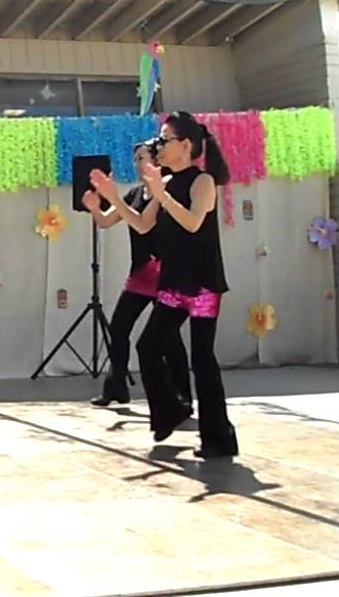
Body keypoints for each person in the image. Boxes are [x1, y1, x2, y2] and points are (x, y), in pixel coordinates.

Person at [91, 111, 238, 459]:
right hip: (173, 282)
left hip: (202, 283)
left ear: (185, 145)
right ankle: (171, 409)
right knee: (148, 346)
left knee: (202, 357)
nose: (158, 145)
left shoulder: (203, 181)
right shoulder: (165, 182)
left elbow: (193, 222)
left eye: (164, 139)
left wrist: (162, 194)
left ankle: (219, 437)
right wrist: (113, 196)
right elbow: (143, 224)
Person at [82, 142, 191, 409]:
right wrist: (95, 207)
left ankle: (182, 394)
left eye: (142, 157)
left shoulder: (164, 191)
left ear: (157, 159)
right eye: (136, 158)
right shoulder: (134, 193)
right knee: (118, 328)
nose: (137, 163)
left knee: (169, 338)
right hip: (141, 274)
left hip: (165, 274)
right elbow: (106, 221)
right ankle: (116, 386)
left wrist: (114, 198)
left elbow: (144, 225)